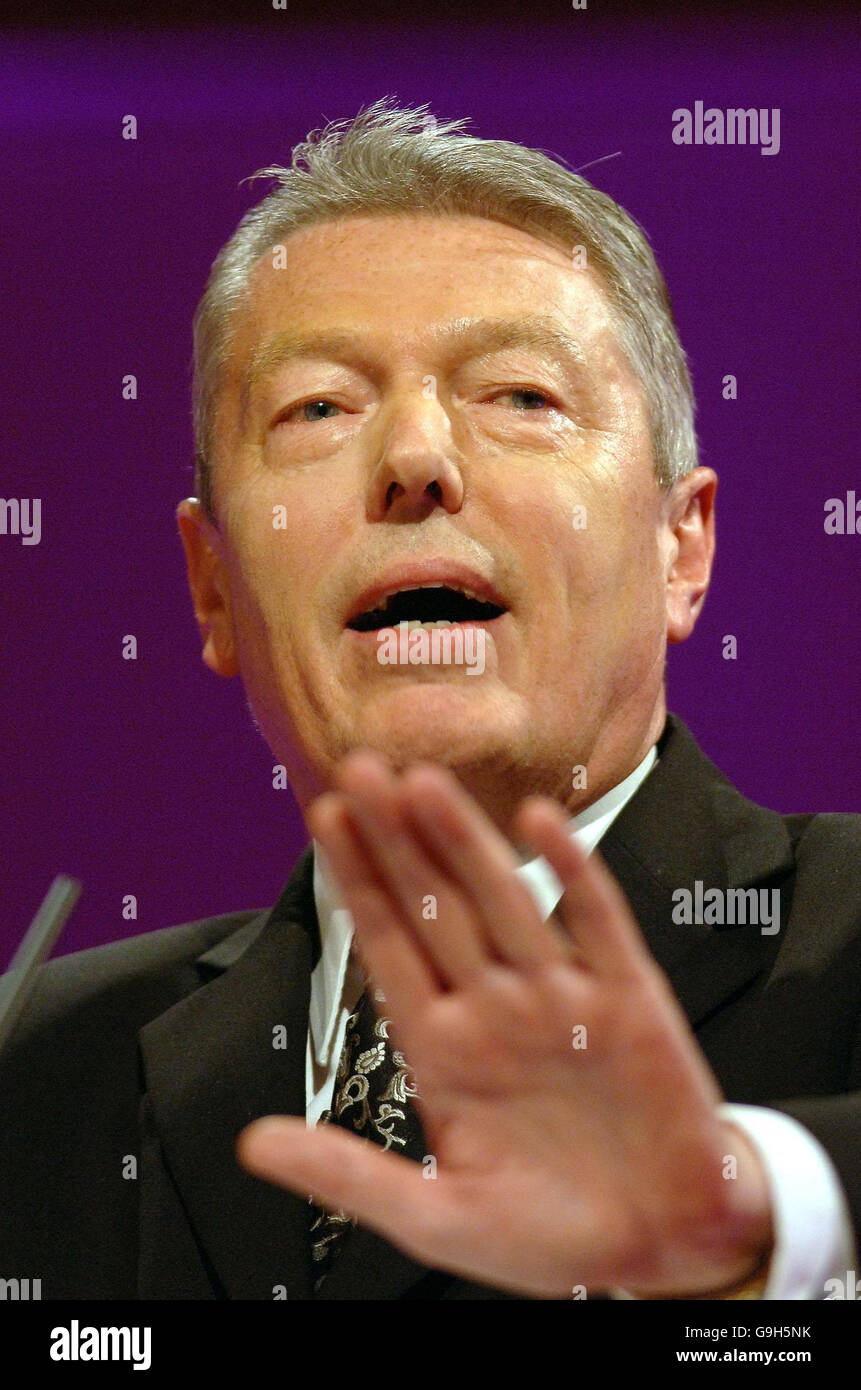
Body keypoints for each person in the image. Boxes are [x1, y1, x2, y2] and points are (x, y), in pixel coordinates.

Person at [1, 100, 858, 1302]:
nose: (415, 457)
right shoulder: (37, 1059)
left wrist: (755, 1217)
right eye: (319, 408)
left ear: (683, 547)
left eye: (518, 395)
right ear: (210, 585)